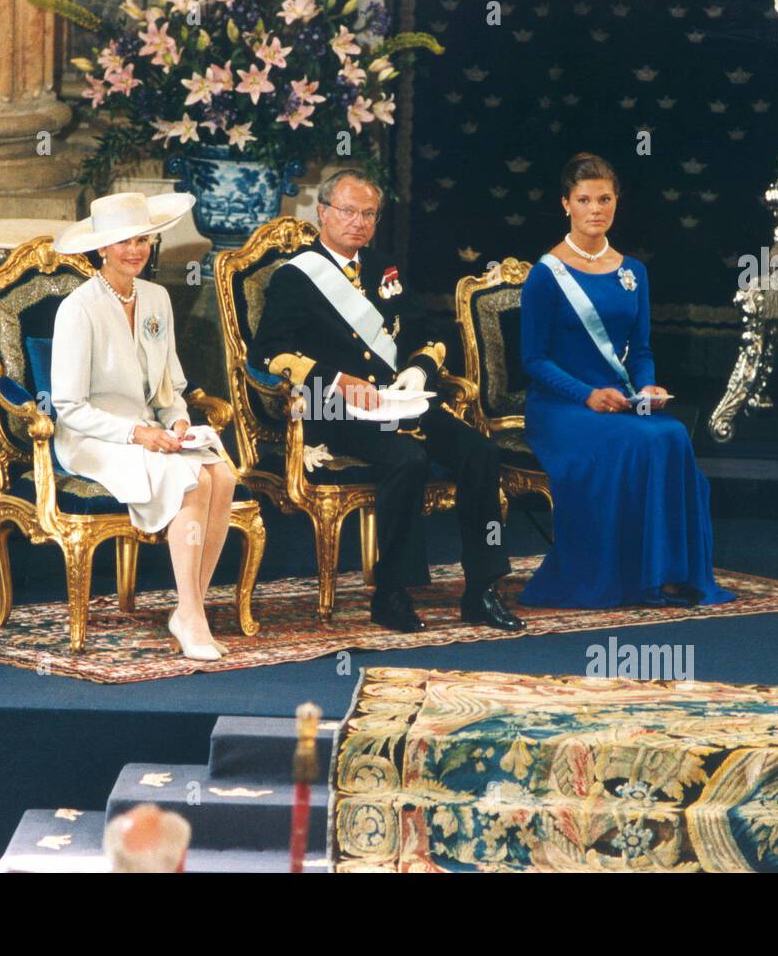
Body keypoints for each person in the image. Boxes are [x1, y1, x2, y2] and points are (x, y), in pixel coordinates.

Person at [250, 169, 523, 633]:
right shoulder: (294, 277)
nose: (358, 222)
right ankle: (392, 593)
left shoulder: (383, 268)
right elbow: (266, 355)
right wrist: (336, 379)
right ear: (323, 214)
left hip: (398, 400)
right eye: (349, 211)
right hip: (330, 406)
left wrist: (418, 372)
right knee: (407, 458)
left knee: (478, 450)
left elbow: (426, 333)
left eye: (369, 214)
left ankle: (481, 588)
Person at [518, 152, 735, 609]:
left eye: (604, 198)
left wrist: (648, 387)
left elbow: (641, 350)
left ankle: (671, 573)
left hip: (619, 399)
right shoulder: (545, 274)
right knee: (637, 442)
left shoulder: (634, 271)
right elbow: (534, 360)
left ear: (616, 202)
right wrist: (587, 395)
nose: (595, 208)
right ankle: (622, 574)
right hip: (562, 407)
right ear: (566, 205)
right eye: (584, 199)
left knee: (672, 434)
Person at [52, 192, 237, 662]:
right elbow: (68, 406)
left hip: (150, 429)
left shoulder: (156, 298)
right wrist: (138, 434)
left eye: (142, 240)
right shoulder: (79, 308)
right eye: (123, 242)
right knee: (192, 478)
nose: (135, 250)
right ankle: (192, 615)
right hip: (94, 438)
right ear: (100, 250)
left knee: (224, 474)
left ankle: (189, 608)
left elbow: (170, 384)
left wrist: (176, 418)